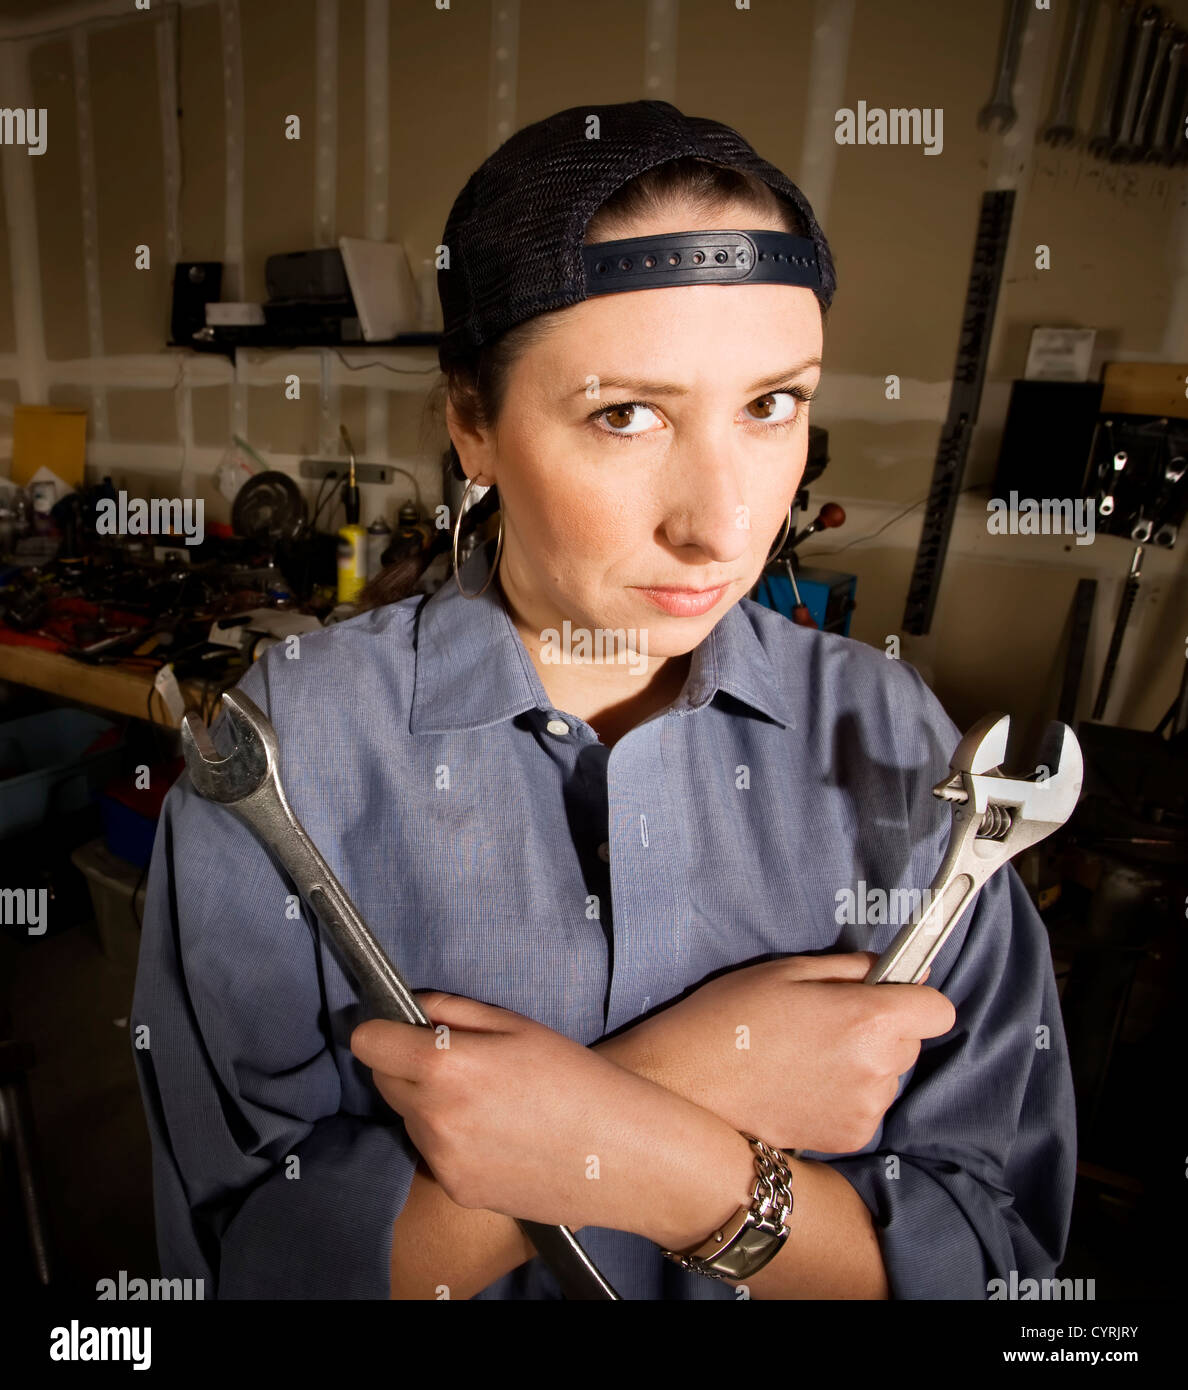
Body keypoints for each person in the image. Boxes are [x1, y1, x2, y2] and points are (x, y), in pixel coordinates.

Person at [131, 100, 1076, 1301]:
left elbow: (994, 1263)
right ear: (471, 422)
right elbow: (248, 1271)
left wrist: (619, 1140)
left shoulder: (894, 735)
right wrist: (712, 1083)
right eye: (625, 414)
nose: (723, 523)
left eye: (773, 404)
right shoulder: (294, 753)